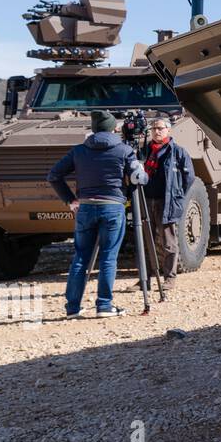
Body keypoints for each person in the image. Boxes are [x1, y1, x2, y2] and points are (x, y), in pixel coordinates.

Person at [47, 110, 146, 317]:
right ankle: (104, 305)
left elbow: (54, 175)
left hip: (85, 207)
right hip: (112, 207)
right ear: (113, 128)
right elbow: (138, 178)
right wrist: (141, 170)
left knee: (80, 257)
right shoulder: (123, 150)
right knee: (109, 257)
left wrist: (70, 200)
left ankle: (72, 308)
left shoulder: (79, 150)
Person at [142, 117, 196, 295]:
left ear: (168, 130)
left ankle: (170, 278)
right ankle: (145, 278)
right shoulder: (144, 151)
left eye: (160, 128)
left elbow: (189, 178)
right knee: (145, 241)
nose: (156, 131)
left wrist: (177, 196)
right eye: (154, 129)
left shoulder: (178, 152)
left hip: (166, 202)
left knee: (168, 242)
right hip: (146, 200)